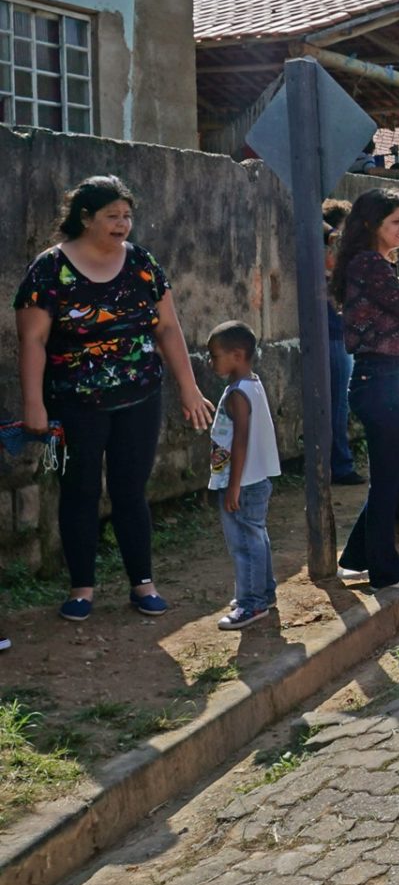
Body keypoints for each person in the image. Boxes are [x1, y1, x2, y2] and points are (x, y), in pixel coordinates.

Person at [13, 175, 214, 621]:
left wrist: (188, 385)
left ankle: (143, 583)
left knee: (130, 491)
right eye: (112, 216)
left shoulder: (141, 262)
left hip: (139, 398)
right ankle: (81, 588)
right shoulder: (49, 269)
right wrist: (34, 404)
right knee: (80, 491)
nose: (123, 224)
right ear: (86, 218)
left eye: (127, 215)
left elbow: (167, 327)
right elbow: (32, 340)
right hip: (73, 402)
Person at [331, 188, 399, 593]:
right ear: (371, 226)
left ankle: (359, 557)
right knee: (391, 475)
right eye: (395, 221)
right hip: (376, 381)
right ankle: (386, 570)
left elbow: (396, 314)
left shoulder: (372, 264)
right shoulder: (370, 263)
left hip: (384, 380)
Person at [206, 321, 282, 631]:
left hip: (242, 481)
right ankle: (262, 593)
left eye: (215, 356)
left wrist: (233, 485)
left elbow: (240, 440)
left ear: (236, 355)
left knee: (243, 542)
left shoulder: (238, 394)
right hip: (256, 479)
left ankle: (252, 603)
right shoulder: (252, 384)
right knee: (256, 535)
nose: (212, 363)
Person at [322, 200, 363, 485]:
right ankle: (340, 465)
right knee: (337, 406)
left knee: (337, 405)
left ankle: (339, 463)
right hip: (333, 336)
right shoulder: (328, 255)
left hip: (338, 335)